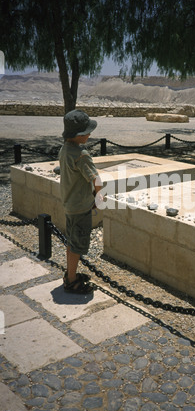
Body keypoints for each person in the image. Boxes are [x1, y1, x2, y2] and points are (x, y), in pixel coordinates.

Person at [59, 109, 103, 294]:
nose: (90, 134)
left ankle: (71, 273)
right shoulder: (82, 154)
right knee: (77, 244)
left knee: (72, 241)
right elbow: (97, 179)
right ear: (78, 135)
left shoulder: (65, 149)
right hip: (80, 208)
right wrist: (98, 197)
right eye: (86, 132)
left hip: (70, 205)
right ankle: (72, 282)